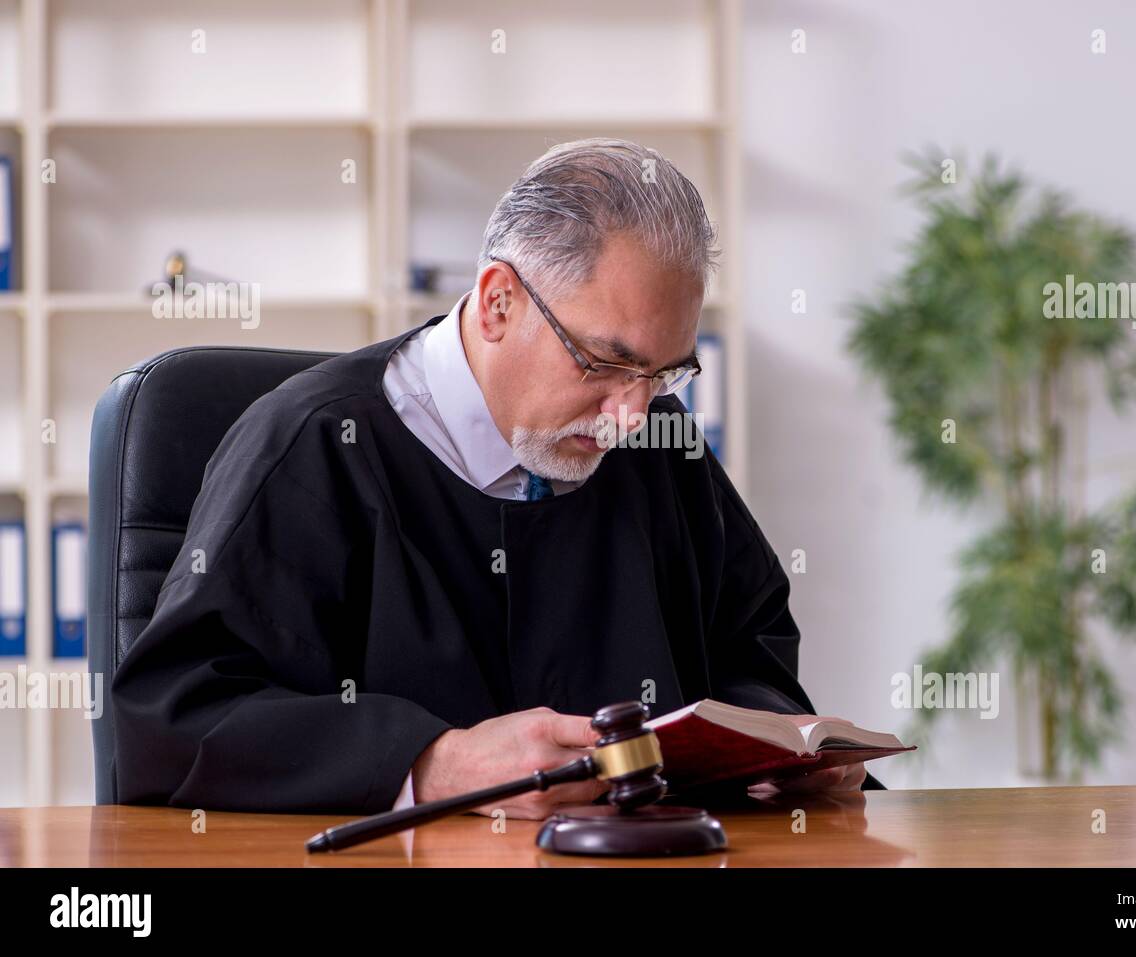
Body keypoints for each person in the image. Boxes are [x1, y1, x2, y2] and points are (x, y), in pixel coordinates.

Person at [112, 138, 867, 819]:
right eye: (604, 363)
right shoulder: (313, 445)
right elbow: (170, 720)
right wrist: (432, 764)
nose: (631, 415)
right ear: (499, 300)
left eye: (664, 372)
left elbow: (749, 646)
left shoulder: (659, 441)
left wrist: (776, 754)